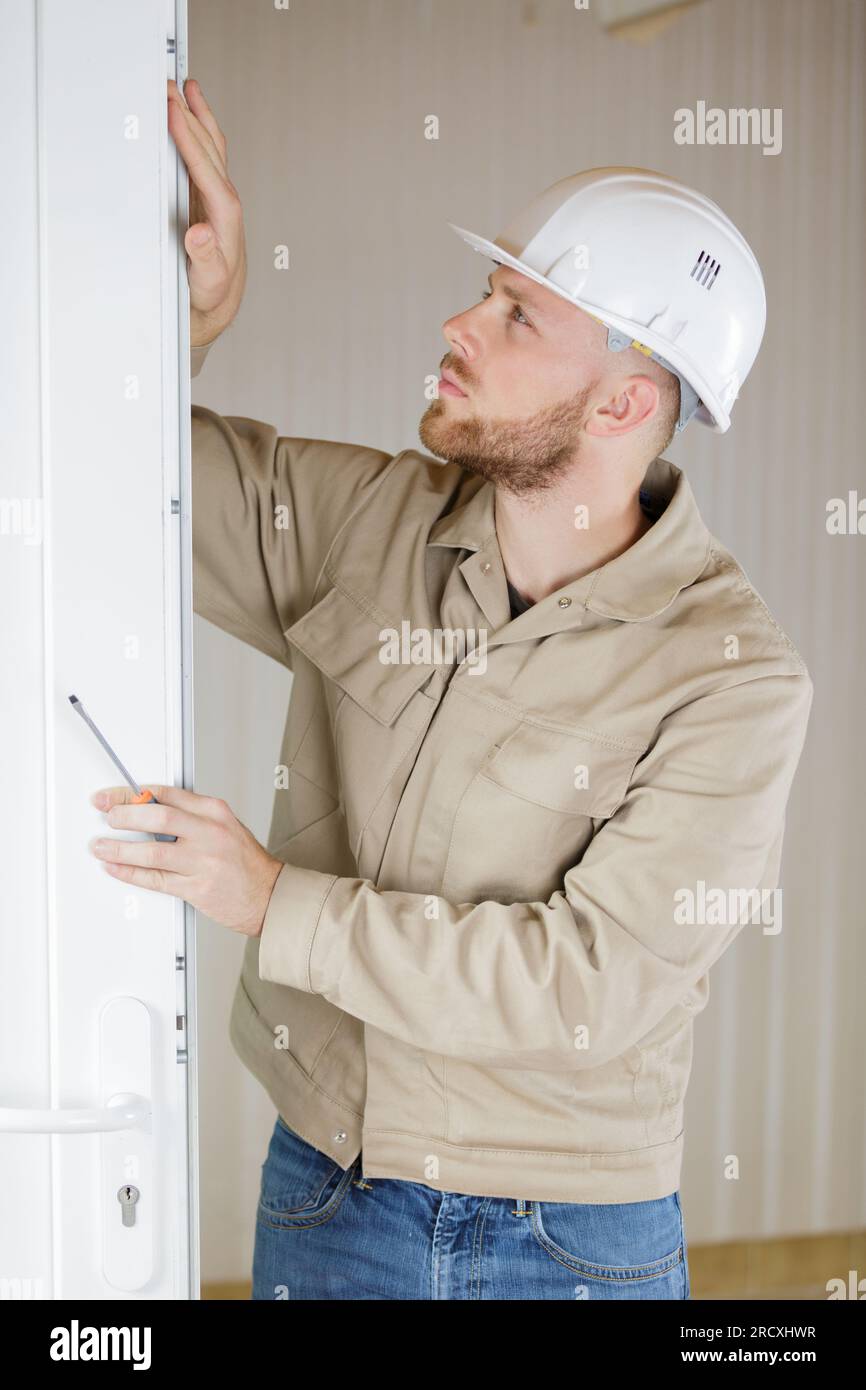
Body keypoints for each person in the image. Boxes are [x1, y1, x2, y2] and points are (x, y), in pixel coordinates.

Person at [91, 78, 812, 1301]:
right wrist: (186, 319)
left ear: (623, 402)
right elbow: (123, 474)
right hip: (331, 1185)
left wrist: (272, 901)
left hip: (568, 1240)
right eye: (487, 292)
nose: (458, 324)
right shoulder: (367, 524)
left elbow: (586, 983)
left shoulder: (730, 678)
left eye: (516, 315)